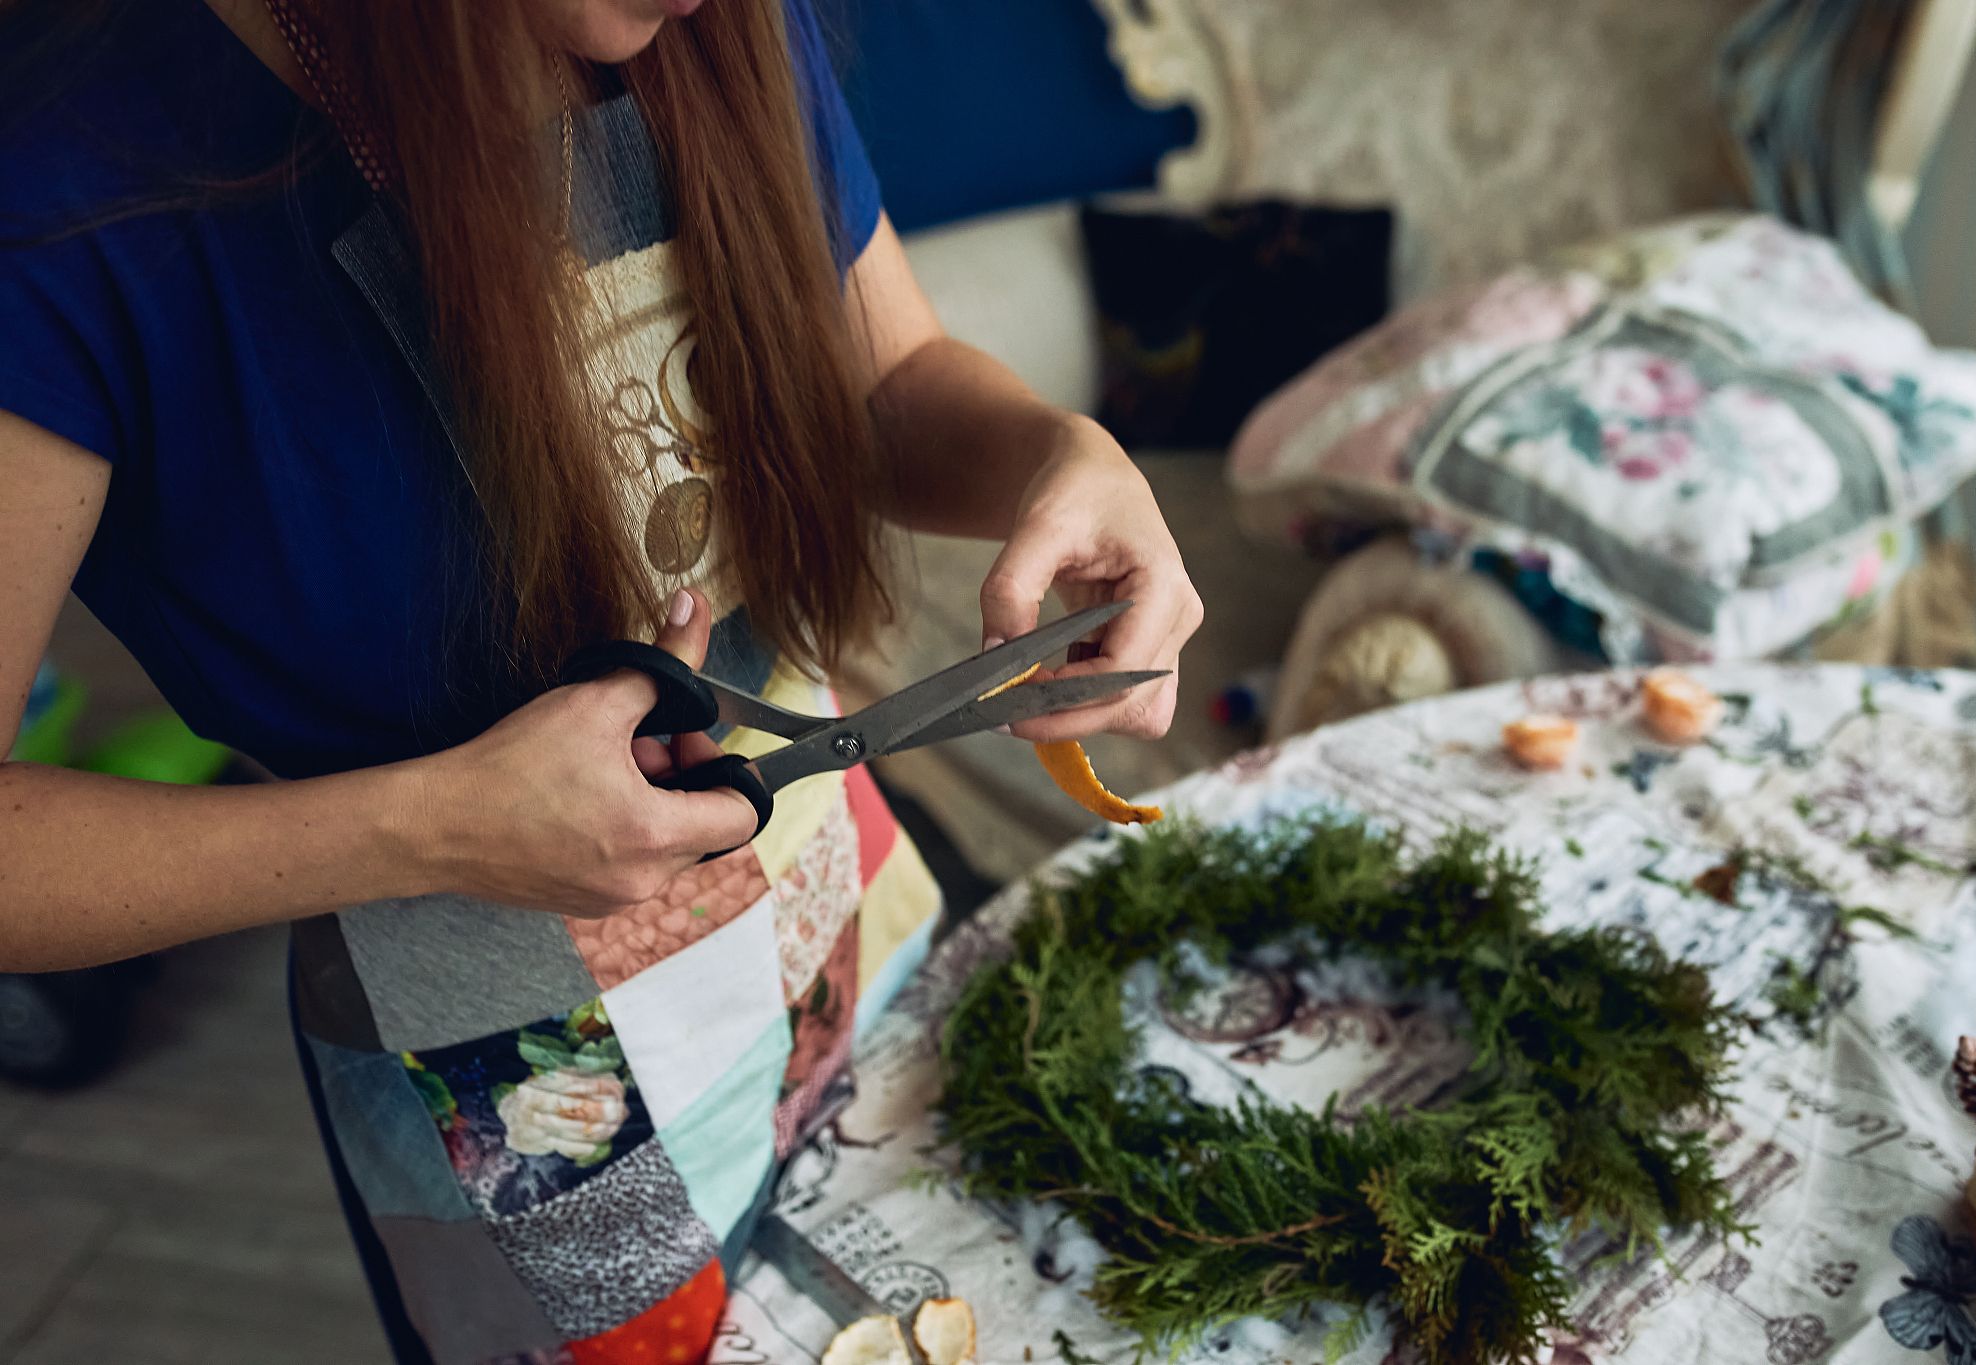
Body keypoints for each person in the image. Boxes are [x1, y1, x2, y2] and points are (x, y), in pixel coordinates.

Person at [0, 0, 1202, 1360]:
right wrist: (430, 826)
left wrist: (1058, 455)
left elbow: (889, 389)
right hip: (521, 1098)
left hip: (839, 914)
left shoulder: (728, 29)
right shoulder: (62, 170)